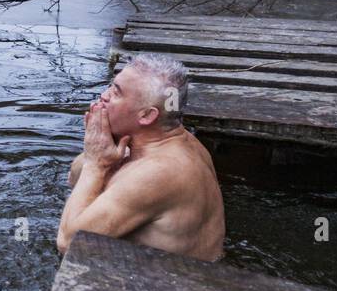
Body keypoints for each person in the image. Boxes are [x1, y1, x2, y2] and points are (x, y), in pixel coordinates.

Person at [56, 53, 225, 261]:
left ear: (147, 115)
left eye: (116, 93)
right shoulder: (182, 142)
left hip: (168, 288)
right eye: (111, 85)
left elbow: (69, 242)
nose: (104, 96)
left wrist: (95, 164)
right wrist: (96, 151)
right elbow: (74, 180)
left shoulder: (158, 173)